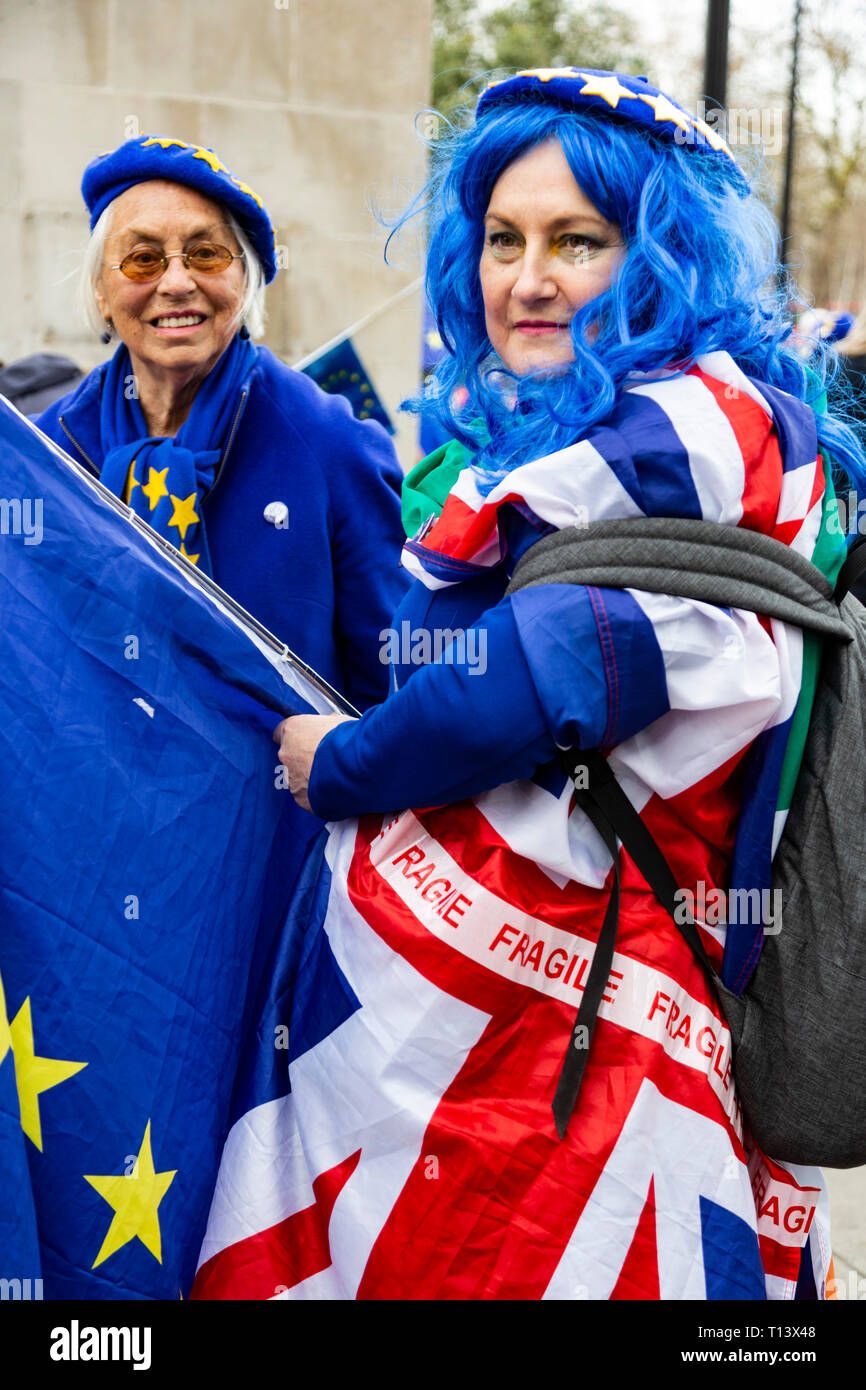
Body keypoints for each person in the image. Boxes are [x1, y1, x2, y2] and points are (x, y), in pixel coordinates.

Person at [264, 69, 865, 1301]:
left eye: (576, 241)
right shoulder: (601, 438)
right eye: (501, 240)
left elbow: (541, 673)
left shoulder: (690, 440)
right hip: (541, 1037)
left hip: (574, 1064)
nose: (526, 278)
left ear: (660, 261)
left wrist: (341, 761)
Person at [36, 134, 407, 713]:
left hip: (278, 800)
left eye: (206, 254)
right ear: (102, 293)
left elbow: (391, 695)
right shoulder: (45, 453)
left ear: (244, 279)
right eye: (142, 259)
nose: (177, 282)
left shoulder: (332, 446)